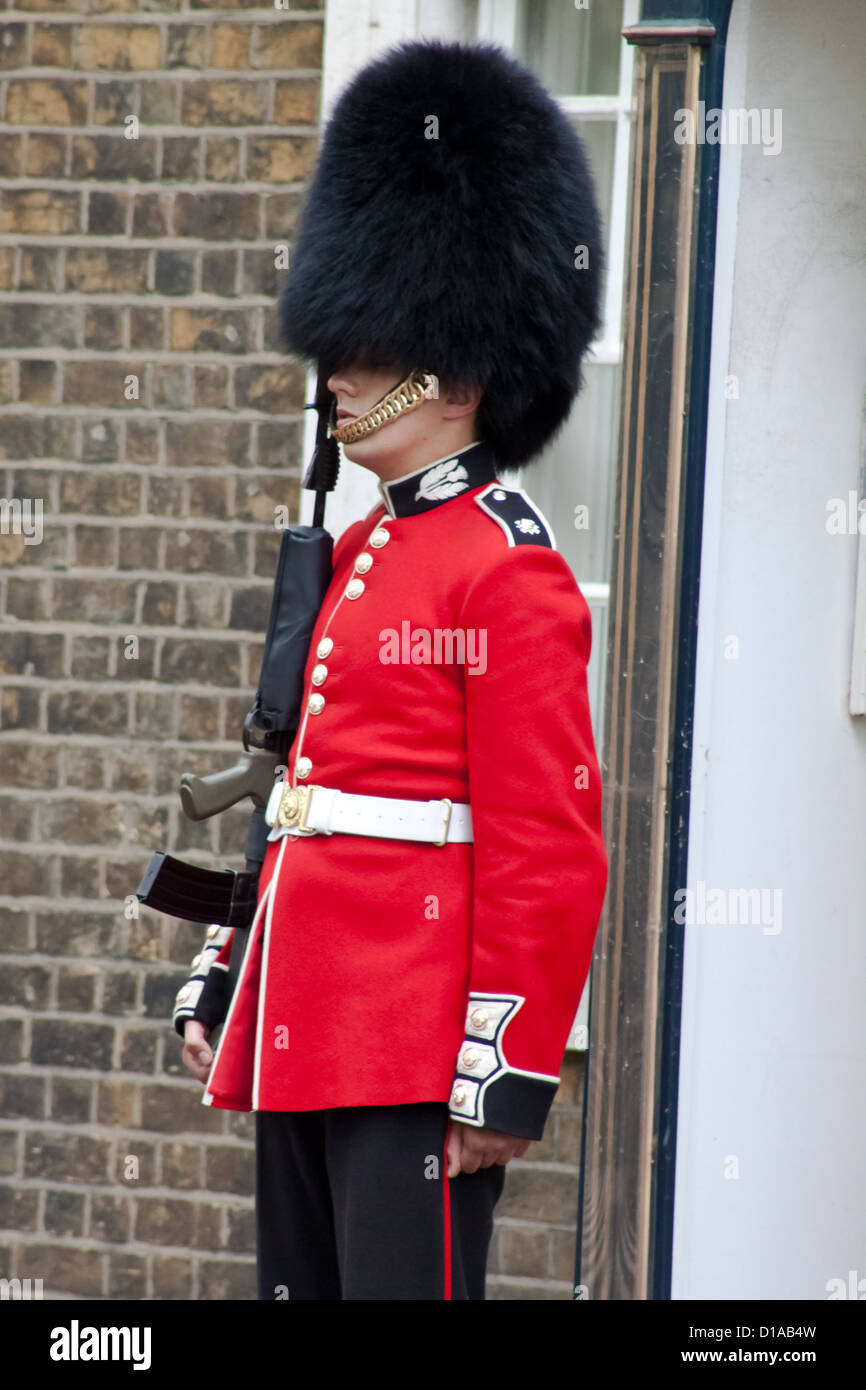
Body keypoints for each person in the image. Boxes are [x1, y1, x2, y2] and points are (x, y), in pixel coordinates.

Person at [173, 37, 609, 1301]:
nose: (341, 374)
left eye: (372, 345)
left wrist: (500, 1069)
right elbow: (305, 787)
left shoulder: (502, 568)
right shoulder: (360, 550)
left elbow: (545, 846)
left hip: (416, 1049)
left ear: (458, 371)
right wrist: (232, 958)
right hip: (309, 1018)